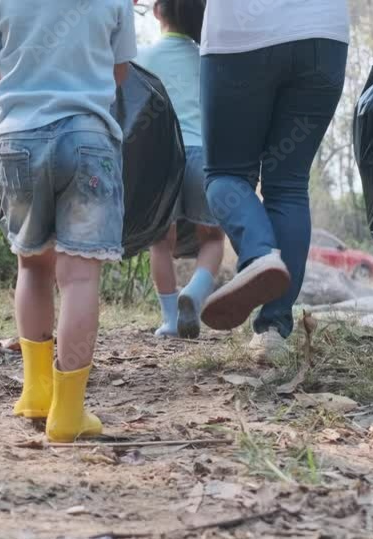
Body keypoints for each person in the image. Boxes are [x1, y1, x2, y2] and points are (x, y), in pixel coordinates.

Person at [198, 0, 373, 362]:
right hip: (321, 37)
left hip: (239, 37)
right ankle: (273, 331)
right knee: (288, 185)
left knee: (227, 173)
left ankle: (259, 254)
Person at [0, 0, 137, 442]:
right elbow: (120, 73)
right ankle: (68, 413)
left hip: (16, 137)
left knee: (32, 263)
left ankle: (36, 391)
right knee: (79, 278)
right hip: (87, 137)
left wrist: (28, 73)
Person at [137, 0, 225, 339]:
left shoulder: (142, 58)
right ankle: (197, 292)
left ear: (158, 12)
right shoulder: (209, 58)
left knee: (161, 241)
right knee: (213, 237)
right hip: (203, 152)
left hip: (162, 156)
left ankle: (171, 319)